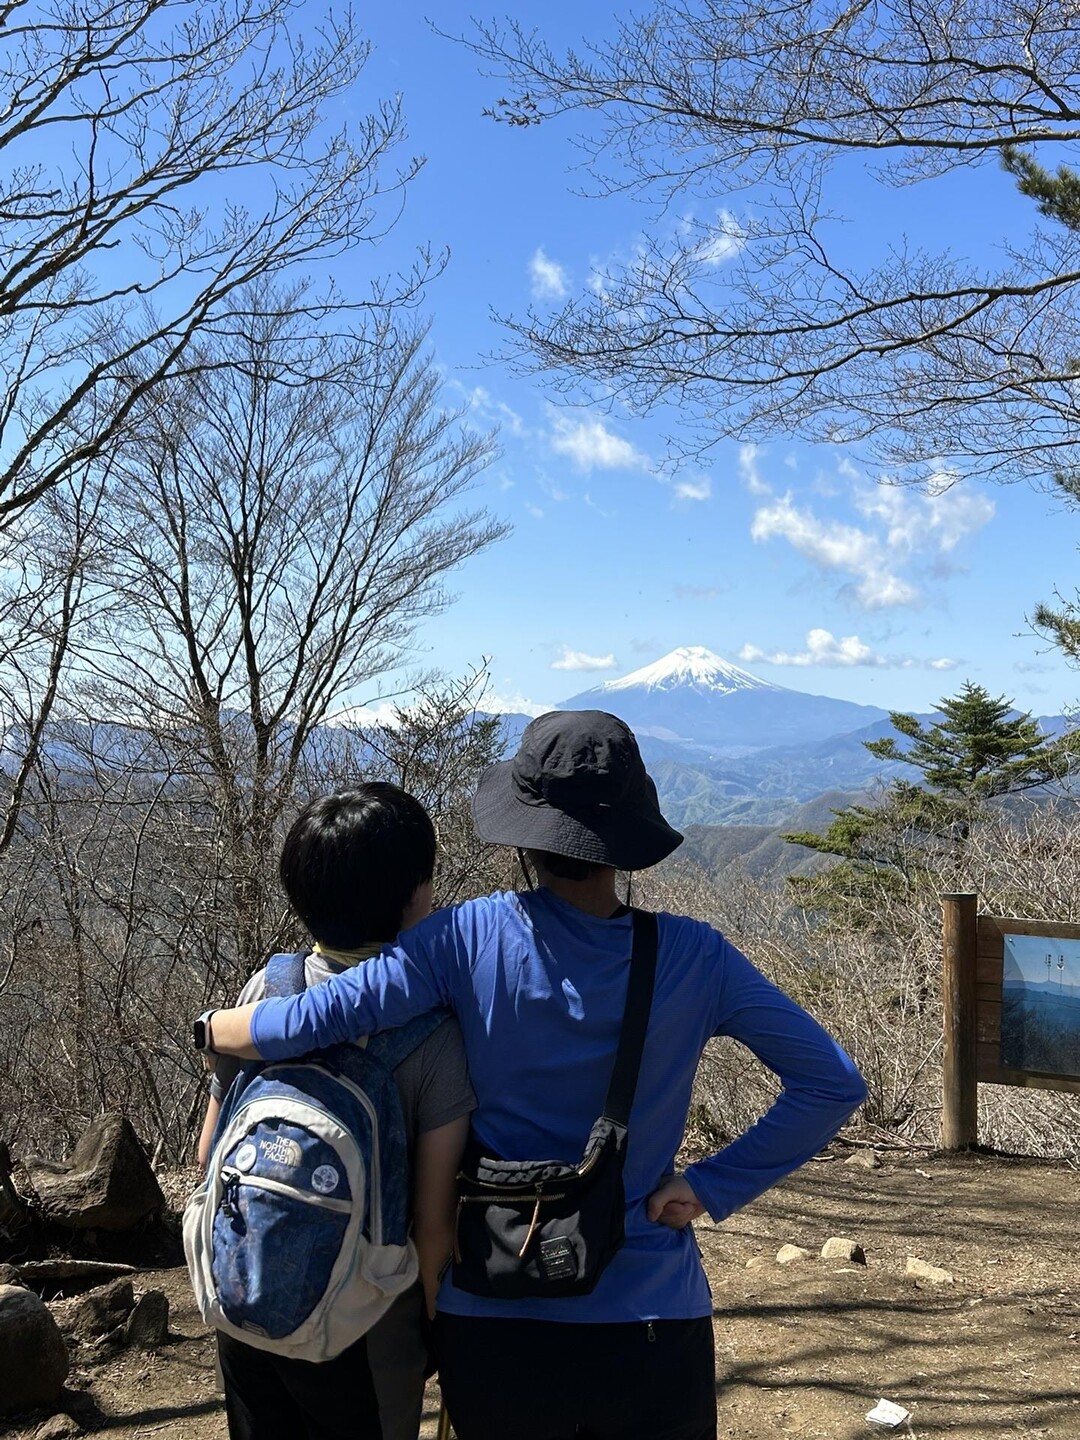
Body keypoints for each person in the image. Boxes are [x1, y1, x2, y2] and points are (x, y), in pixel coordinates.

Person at [198, 711, 867, 1440]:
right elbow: (832, 1083)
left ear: (526, 837)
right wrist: (709, 1186)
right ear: (628, 838)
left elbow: (318, 1016)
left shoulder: (461, 937)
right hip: (649, 1311)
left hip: (493, 1313)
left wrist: (213, 1030)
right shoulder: (695, 957)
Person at [197, 783, 475, 1440]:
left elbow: (209, 1152)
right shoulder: (434, 1036)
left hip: (246, 1295)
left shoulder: (269, 991)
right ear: (416, 897)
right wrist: (447, 1341)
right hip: (364, 1330)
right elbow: (433, 1230)